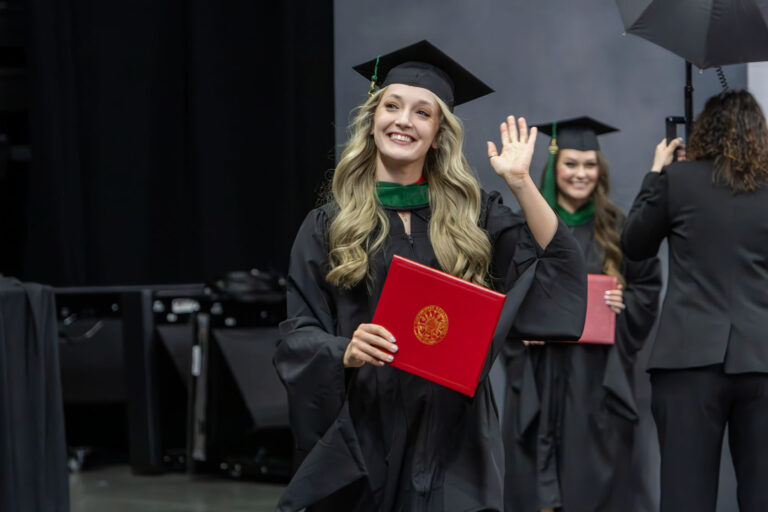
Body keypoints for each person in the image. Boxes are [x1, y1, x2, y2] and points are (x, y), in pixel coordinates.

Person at [272, 40, 588, 511]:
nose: (403, 120)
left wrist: (522, 184)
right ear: (373, 118)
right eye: (392, 106)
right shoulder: (329, 225)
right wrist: (346, 350)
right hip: (367, 432)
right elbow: (296, 336)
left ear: (439, 133)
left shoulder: (473, 216)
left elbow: (553, 266)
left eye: (423, 112)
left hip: (456, 434)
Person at [502, 117, 662, 512]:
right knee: (532, 480)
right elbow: (499, 296)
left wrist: (624, 305)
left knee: (591, 481)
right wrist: (519, 326)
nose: (581, 174)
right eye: (571, 163)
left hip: (594, 377)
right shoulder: (528, 226)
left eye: (590, 165)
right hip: (536, 373)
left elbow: (647, 290)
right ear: (553, 167)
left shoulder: (617, 227)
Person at [622, 89, 768, 512]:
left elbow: (634, 245)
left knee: (686, 498)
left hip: (687, 361)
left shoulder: (678, 181)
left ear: (704, 132)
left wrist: (658, 174)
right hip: (762, 361)